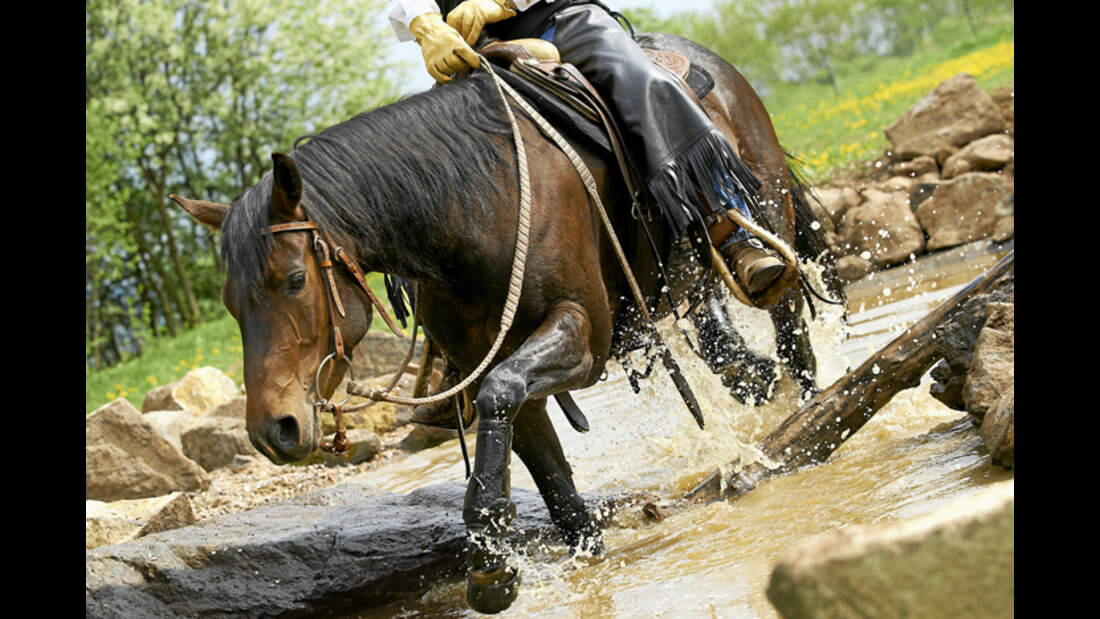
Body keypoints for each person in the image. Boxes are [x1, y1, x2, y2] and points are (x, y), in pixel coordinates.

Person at [388, 0, 793, 425]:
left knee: (647, 83)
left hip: (555, 23)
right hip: (470, 50)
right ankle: (455, 351)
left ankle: (728, 231)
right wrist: (424, 23)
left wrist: (500, 3)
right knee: (430, 173)